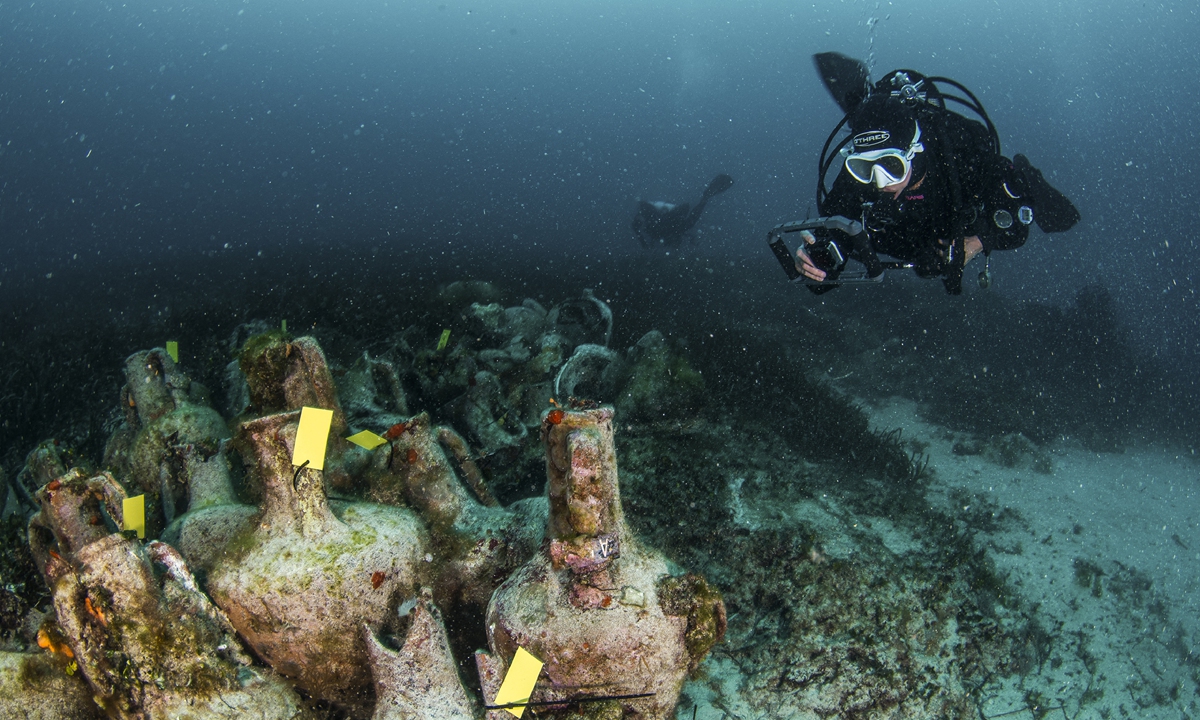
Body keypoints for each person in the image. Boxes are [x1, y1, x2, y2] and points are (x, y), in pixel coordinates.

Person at [796, 53, 1079, 294]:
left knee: (1050, 209)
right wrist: (818, 261)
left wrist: (977, 242)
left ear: (914, 152)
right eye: (864, 167)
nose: (879, 182)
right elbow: (830, 241)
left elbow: (1016, 225)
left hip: (950, 214)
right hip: (908, 235)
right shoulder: (858, 178)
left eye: (892, 166)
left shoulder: (960, 159)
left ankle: (1025, 172)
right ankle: (868, 104)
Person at [632, 174, 734, 249]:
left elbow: (637, 224)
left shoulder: (665, 230)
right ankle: (706, 197)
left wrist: (643, 242)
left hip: (666, 219)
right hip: (667, 219)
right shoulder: (673, 230)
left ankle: (706, 197)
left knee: (688, 221)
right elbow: (637, 224)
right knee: (688, 222)